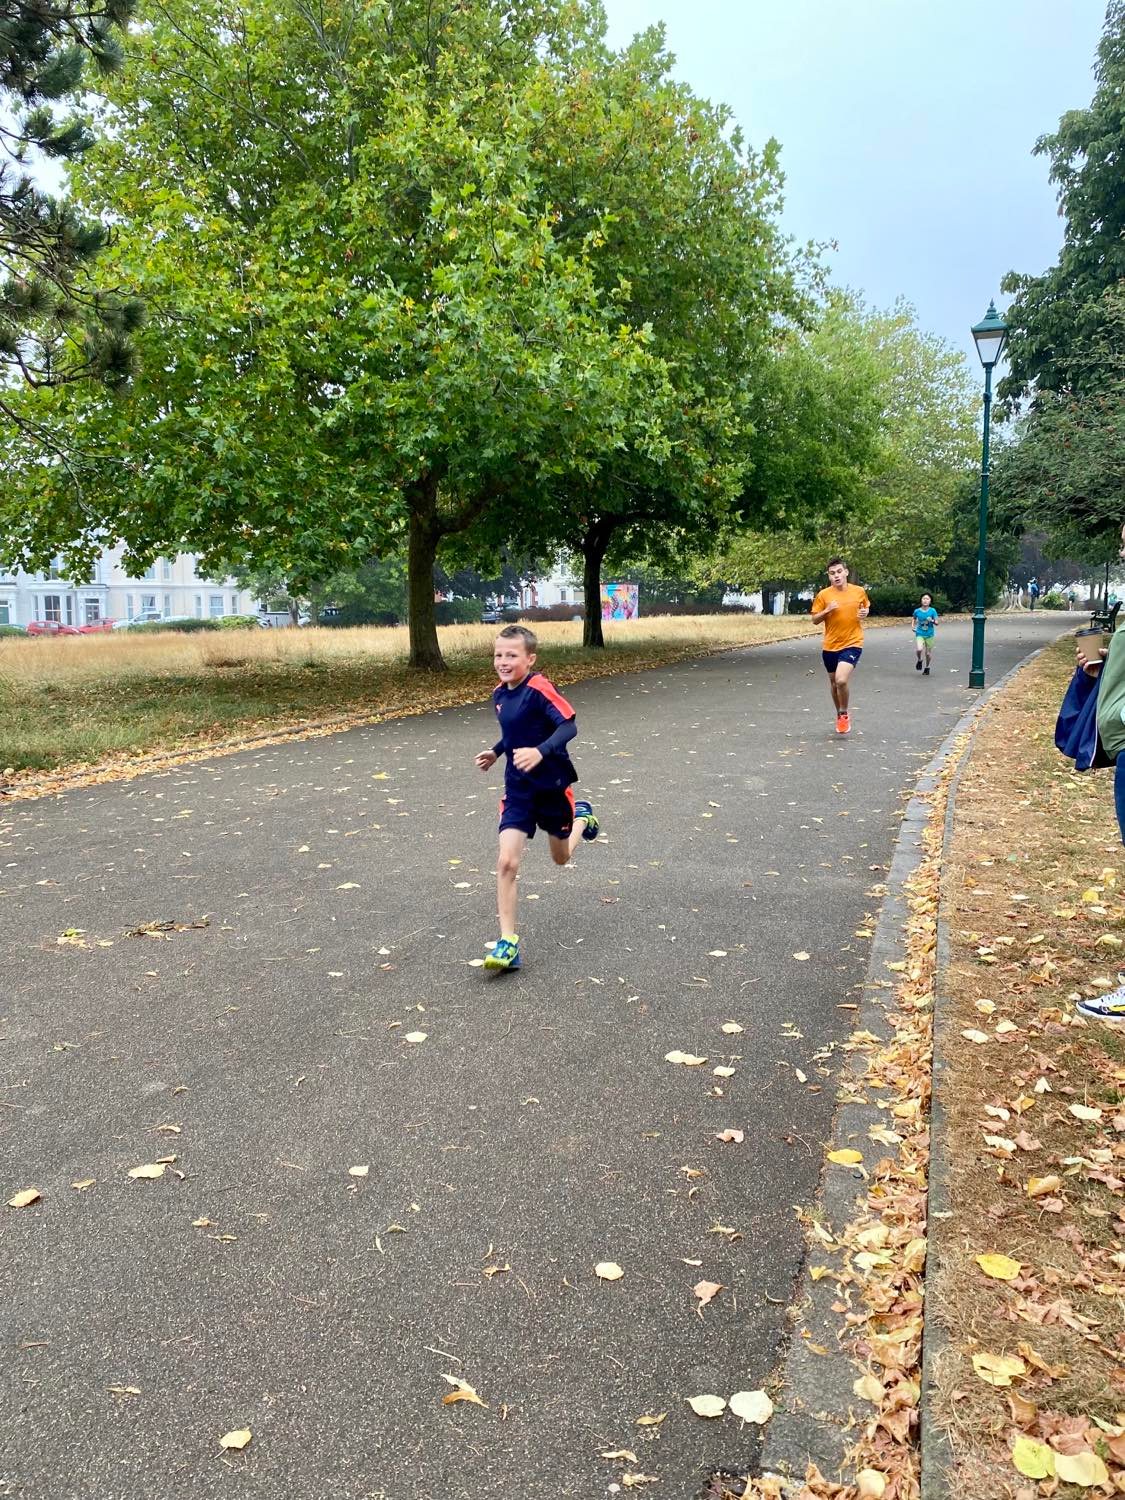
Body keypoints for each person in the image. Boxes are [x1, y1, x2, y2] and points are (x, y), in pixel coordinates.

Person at [473, 625, 599, 971]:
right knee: (507, 863)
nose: (503, 661)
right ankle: (508, 944)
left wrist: (542, 752)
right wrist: (497, 751)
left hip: (552, 788)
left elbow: (568, 725)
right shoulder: (500, 694)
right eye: (498, 654)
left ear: (530, 658)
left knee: (560, 858)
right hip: (518, 791)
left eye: (511, 655)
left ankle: (582, 817)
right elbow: (514, 732)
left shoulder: (539, 687)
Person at [810, 557, 870, 736]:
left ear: (846, 572)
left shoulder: (859, 591)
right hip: (830, 645)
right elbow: (814, 620)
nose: (836, 576)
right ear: (829, 576)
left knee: (841, 679)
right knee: (834, 683)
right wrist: (827, 610)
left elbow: (865, 607)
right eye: (832, 573)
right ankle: (839, 714)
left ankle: (844, 713)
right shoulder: (824, 595)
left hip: (853, 642)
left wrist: (865, 612)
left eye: (839, 572)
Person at [912, 592, 938, 675]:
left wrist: (932, 620)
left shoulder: (932, 611)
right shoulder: (917, 611)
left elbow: (937, 623)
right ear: (921, 600)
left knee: (928, 653)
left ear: (930, 601)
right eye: (923, 598)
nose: (925, 600)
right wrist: (913, 626)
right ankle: (920, 660)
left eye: (927, 599)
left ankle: (927, 667)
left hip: (929, 634)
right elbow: (914, 618)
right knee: (919, 649)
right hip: (920, 633)